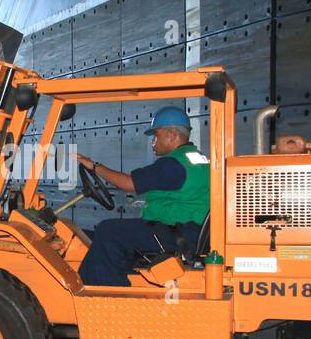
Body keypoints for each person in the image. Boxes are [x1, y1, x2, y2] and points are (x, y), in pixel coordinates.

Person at [72, 106, 211, 287]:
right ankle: (94, 283)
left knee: (109, 230)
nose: (153, 142)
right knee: (95, 236)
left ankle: (107, 294)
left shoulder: (173, 164)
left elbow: (129, 184)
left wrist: (95, 166)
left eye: (156, 136)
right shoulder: (195, 158)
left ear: (172, 134)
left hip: (180, 233)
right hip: (187, 229)